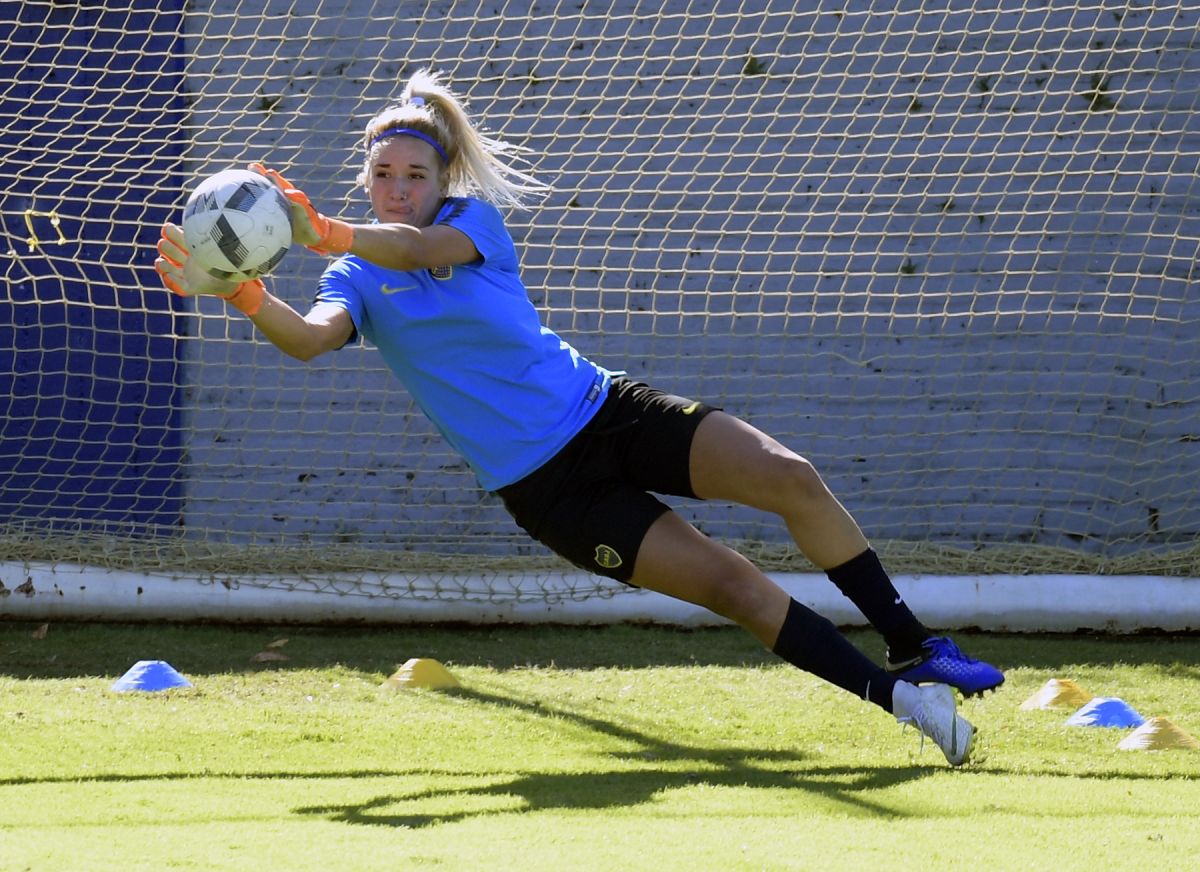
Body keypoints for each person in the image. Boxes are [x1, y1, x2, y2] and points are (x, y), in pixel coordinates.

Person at [156, 68, 1002, 766]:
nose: (399, 189)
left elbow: (413, 251)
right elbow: (308, 339)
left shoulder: (467, 225)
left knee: (790, 476)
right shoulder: (353, 279)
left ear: (442, 180)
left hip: (607, 410)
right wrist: (241, 290)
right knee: (736, 586)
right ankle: (903, 704)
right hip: (550, 489)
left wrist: (323, 230)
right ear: (366, 177)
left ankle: (913, 644)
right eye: (384, 176)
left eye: (415, 175)